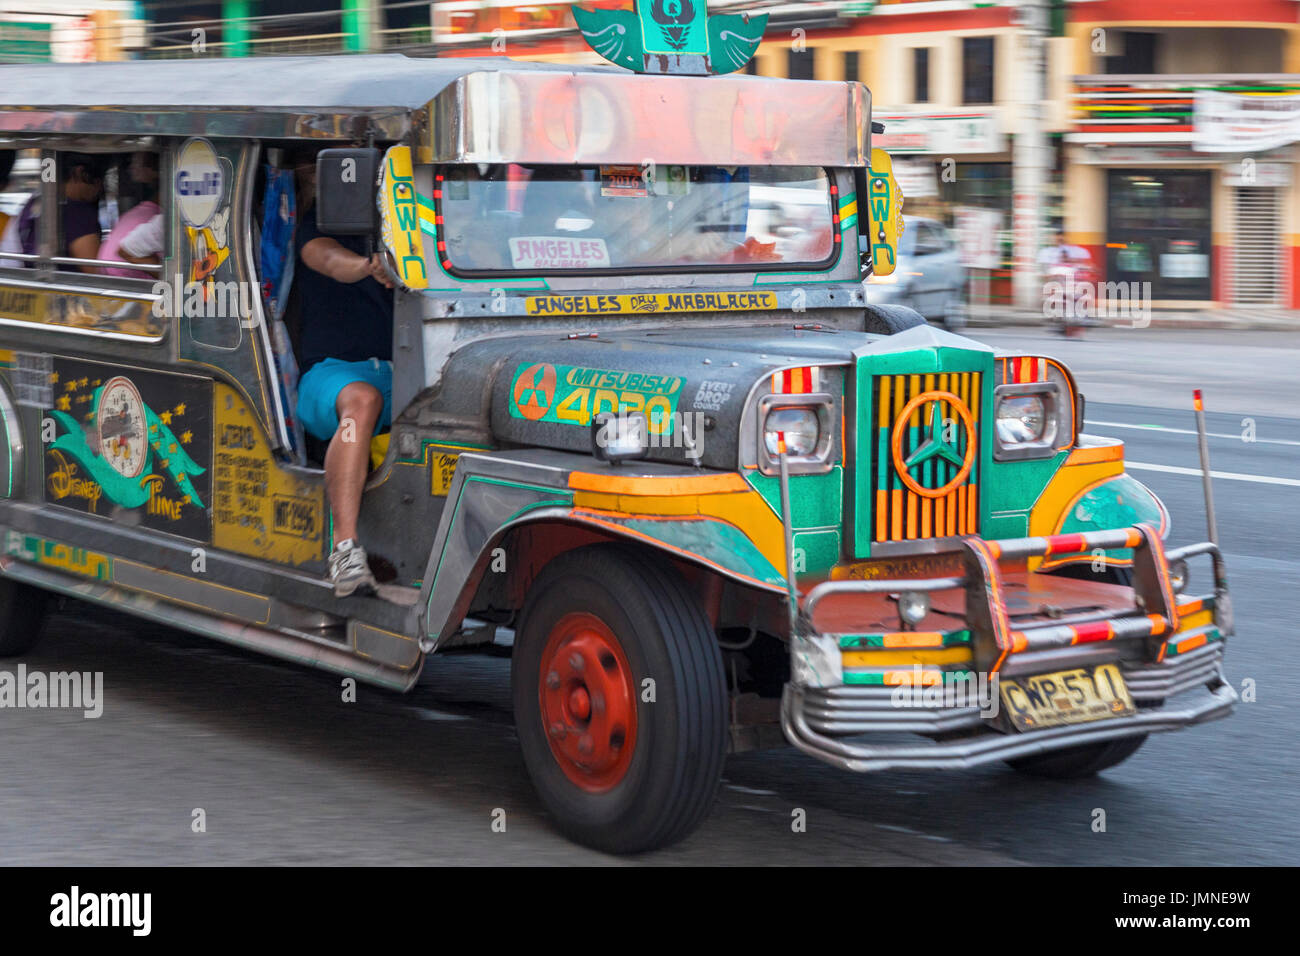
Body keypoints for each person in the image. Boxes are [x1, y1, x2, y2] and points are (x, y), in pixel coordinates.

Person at [291, 147, 395, 597]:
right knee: (362, 403)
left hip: (399, 371)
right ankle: (346, 550)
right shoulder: (312, 229)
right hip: (328, 378)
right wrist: (371, 267)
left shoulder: (417, 234)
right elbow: (332, 262)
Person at [99, 152, 161, 278]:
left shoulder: (139, 212)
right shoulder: (161, 219)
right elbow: (127, 250)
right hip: (129, 281)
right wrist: (168, 275)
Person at [61, 153, 104, 272]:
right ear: (80, 172)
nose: (100, 187)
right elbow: (95, 271)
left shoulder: (34, 203)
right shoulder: (80, 214)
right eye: (97, 179)